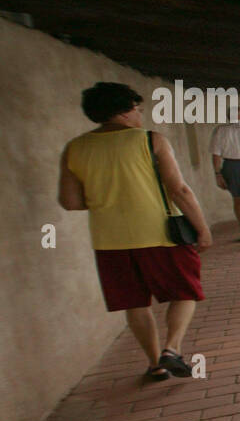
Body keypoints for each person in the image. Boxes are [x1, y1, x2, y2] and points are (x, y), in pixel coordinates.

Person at [59, 82, 212, 381]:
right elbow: (179, 189)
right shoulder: (151, 140)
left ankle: (155, 363)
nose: (140, 116)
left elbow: (70, 201)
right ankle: (172, 349)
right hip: (161, 234)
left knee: (134, 302)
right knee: (184, 292)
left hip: (109, 240)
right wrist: (202, 230)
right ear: (126, 110)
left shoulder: (75, 148)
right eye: (138, 109)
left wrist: (108, 195)